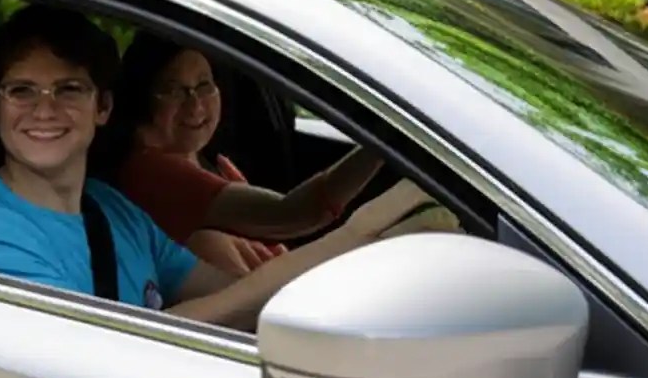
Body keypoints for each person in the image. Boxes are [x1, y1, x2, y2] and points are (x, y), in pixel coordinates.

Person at [0, 5, 444, 330]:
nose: (44, 109)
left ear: (102, 107)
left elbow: (236, 295)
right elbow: (105, 354)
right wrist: (362, 231)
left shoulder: (113, 211)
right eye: (22, 91)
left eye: (69, 89)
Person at [97, 31, 455, 277]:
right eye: (172, 90)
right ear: (141, 98)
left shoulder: (209, 163)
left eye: (205, 85)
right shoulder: (150, 171)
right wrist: (387, 135)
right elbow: (297, 213)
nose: (195, 104)